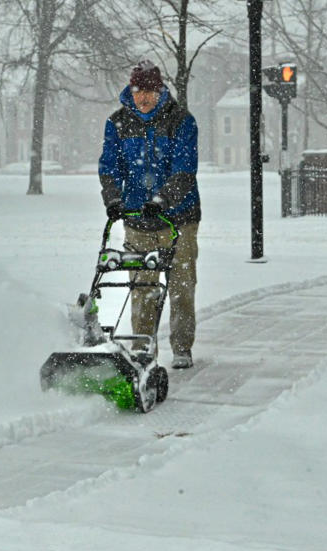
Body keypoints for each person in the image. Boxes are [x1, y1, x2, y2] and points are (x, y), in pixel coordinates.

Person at [98, 60, 200, 369]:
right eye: (138, 91)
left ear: (161, 91)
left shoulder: (181, 121)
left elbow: (185, 169)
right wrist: (114, 198)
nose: (144, 98)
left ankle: (182, 347)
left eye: (150, 92)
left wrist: (162, 199)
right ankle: (142, 351)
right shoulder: (117, 122)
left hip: (178, 218)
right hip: (136, 219)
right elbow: (109, 167)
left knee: (181, 285)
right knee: (143, 289)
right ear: (131, 90)